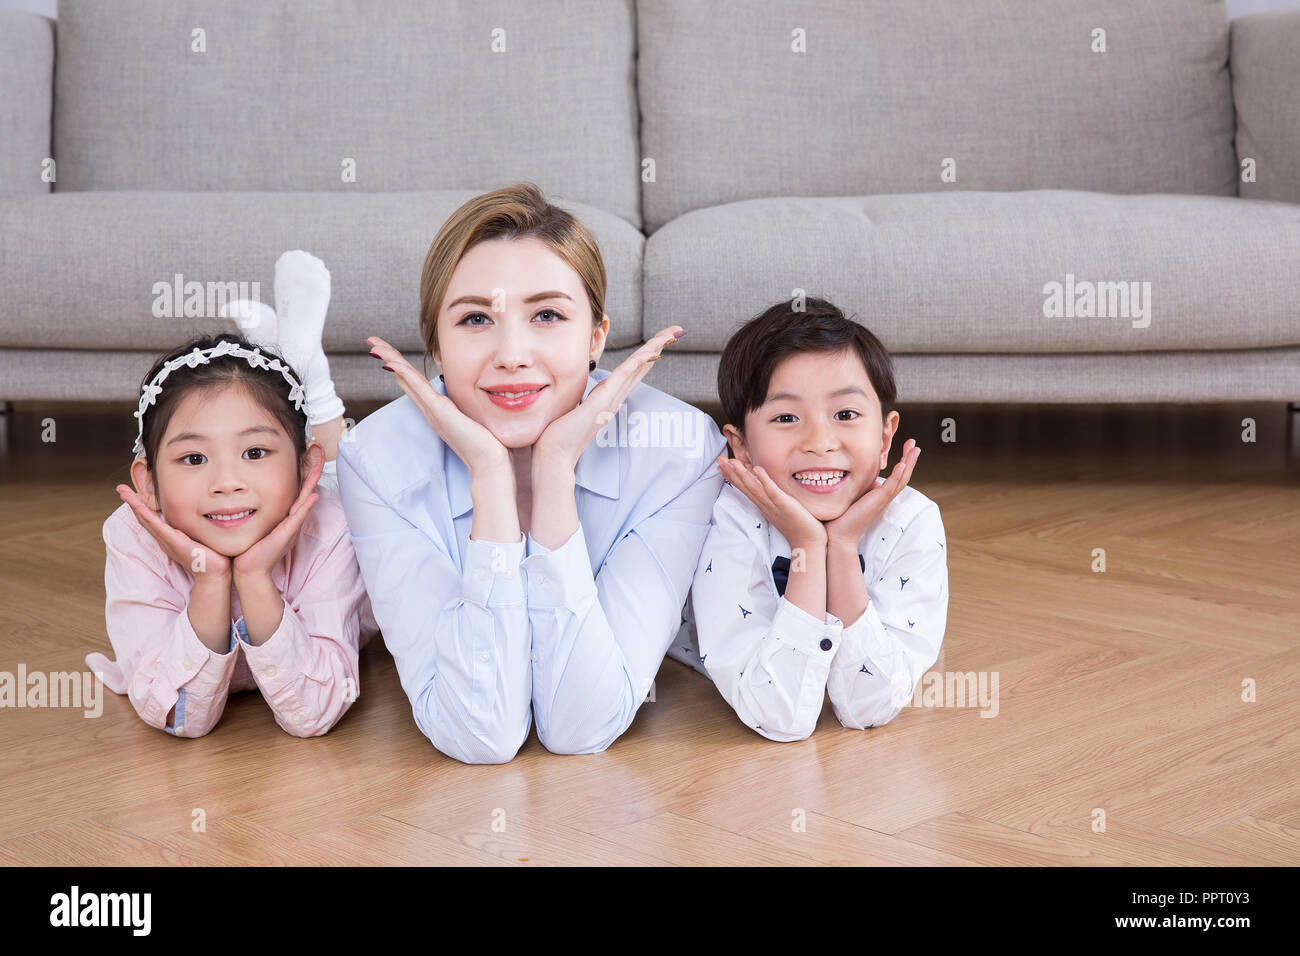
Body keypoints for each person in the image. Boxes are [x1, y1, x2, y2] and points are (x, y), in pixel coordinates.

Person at [338, 181, 726, 764]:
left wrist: (555, 471)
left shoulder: (678, 451)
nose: (511, 354)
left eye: (546, 314)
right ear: (436, 349)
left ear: (596, 336)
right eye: (474, 319)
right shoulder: (375, 461)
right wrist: (491, 478)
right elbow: (480, 735)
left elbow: (580, 727)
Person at [87, 251, 377, 737]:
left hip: (313, 490)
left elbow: (316, 713)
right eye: (194, 459)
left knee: (342, 473)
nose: (226, 482)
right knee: (309, 467)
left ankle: (308, 374)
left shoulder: (330, 525)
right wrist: (211, 581)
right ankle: (291, 363)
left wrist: (257, 578)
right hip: (282, 489)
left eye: (254, 452)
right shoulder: (129, 537)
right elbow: (180, 717)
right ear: (148, 485)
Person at [667, 297, 948, 741]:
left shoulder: (912, 522)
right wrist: (808, 545)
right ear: (740, 447)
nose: (820, 441)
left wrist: (841, 547)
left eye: (846, 415)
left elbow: (869, 707)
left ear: (885, 435)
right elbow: (777, 716)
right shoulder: (728, 521)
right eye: (785, 417)